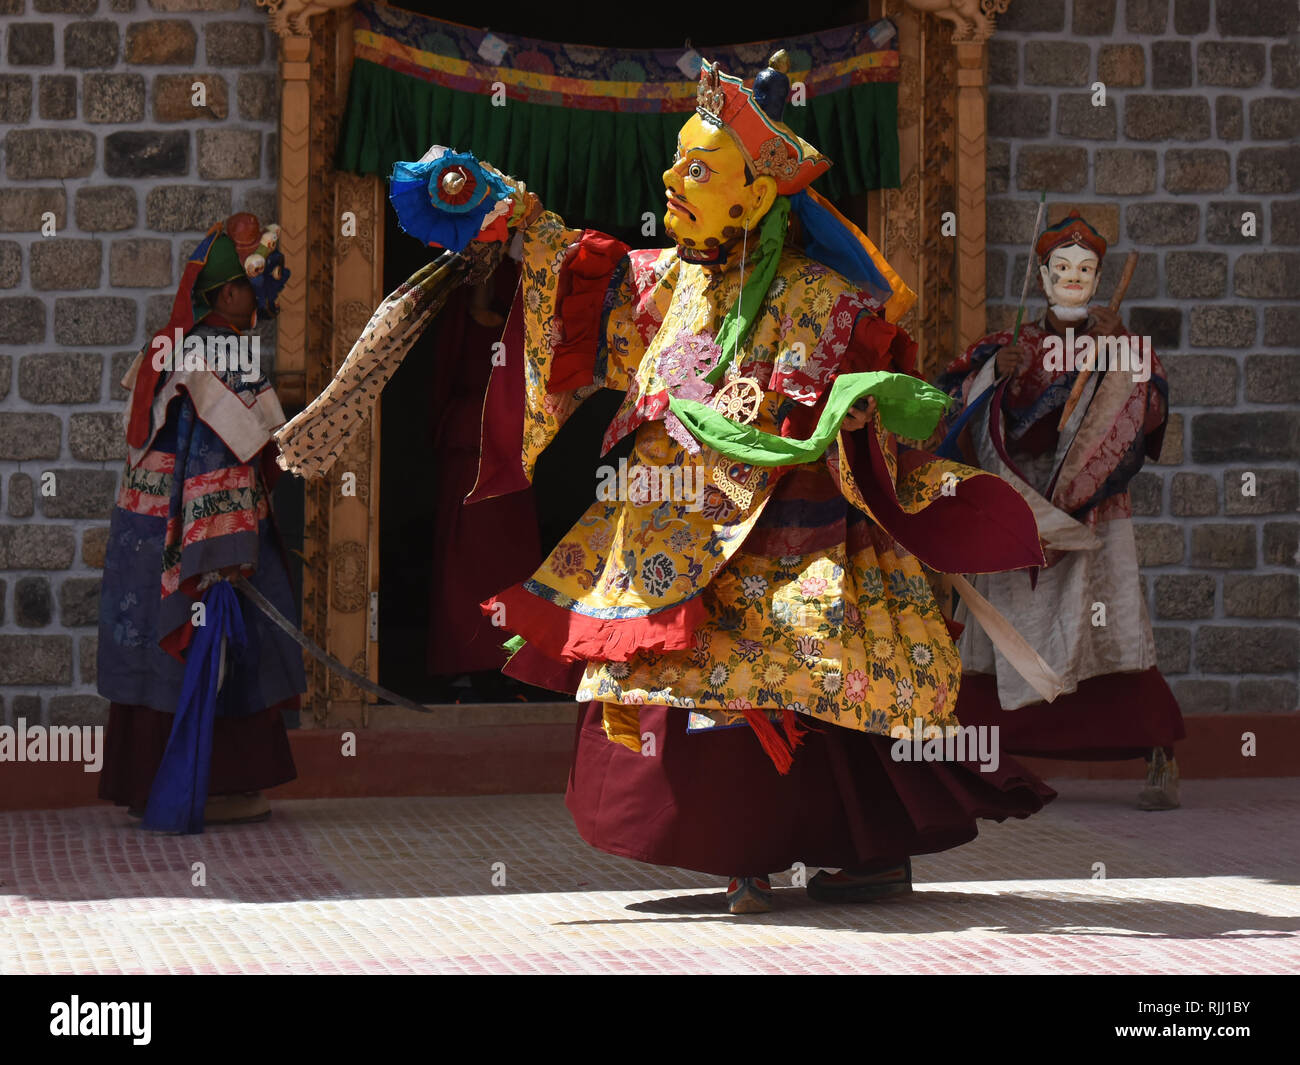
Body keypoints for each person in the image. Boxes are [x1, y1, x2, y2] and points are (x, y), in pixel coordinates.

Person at [293, 54, 1058, 913]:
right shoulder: (669, 284)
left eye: (697, 166)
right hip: (671, 533)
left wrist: (841, 407)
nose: (672, 178)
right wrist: (514, 217)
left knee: (798, 674)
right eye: (676, 162)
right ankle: (752, 851)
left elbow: (848, 411)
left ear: (757, 194)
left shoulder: (823, 298)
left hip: (784, 535)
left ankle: (840, 852)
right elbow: (586, 277)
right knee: (693, 682)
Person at [934, 210, 1184, 811]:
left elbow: (1150, 425)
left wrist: (1120, 365)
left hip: (1091, 515)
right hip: (1017, 515)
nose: (1073, 278)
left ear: (1098, 279)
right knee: (1003, 635)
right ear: (1042, 275)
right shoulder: (1003, 347)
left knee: (1108, 630)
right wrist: (995, 376)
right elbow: (951, 411)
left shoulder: (1123, 348)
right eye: (1061, 267)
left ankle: (1158, 753)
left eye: (1085, 269)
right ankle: (972, 757)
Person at [97, 212, 305, 828]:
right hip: (199, 536)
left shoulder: (169, 351)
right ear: (229, 293)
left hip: (145, 533)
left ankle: (150, 779)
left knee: (154, 654)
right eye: (253, 288)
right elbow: (215, 458)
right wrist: (222, 556)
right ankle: (216, 786)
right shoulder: (223, 357)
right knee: (215, 644)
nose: (262, 301)